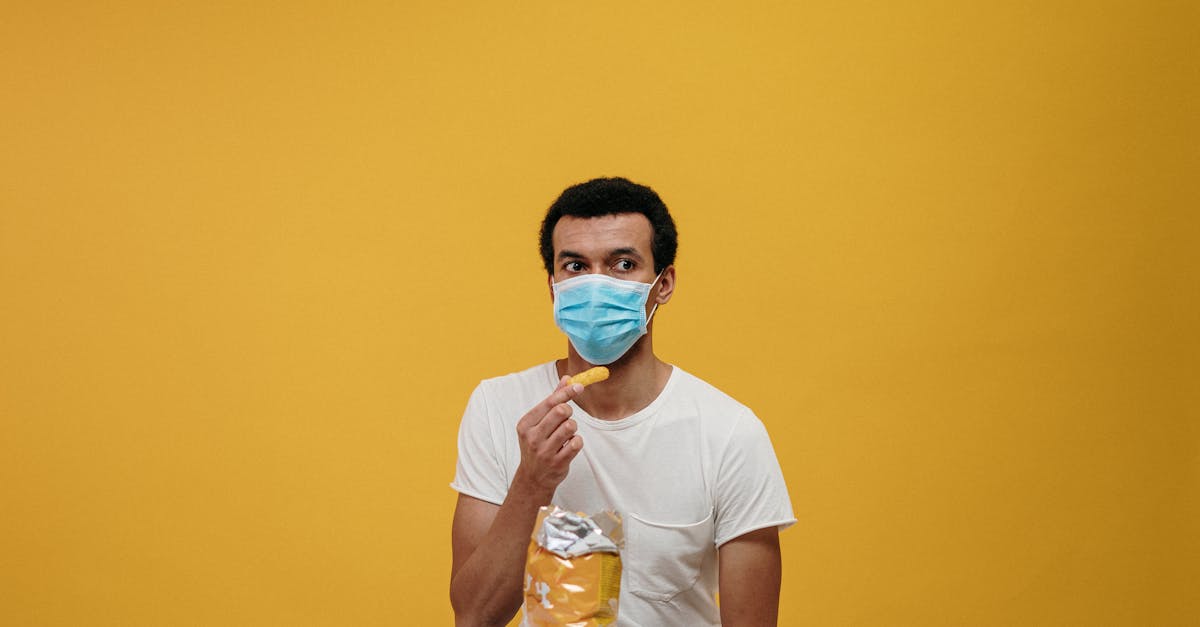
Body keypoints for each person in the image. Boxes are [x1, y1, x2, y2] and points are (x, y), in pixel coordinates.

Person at [449, 177, 795, 626]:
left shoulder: (729, 433)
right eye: (575, 266)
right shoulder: (499, 408)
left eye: (623, 264)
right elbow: (474, 616)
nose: (596, 284)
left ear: (663, 283)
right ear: (553, 286)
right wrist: (532, 482)